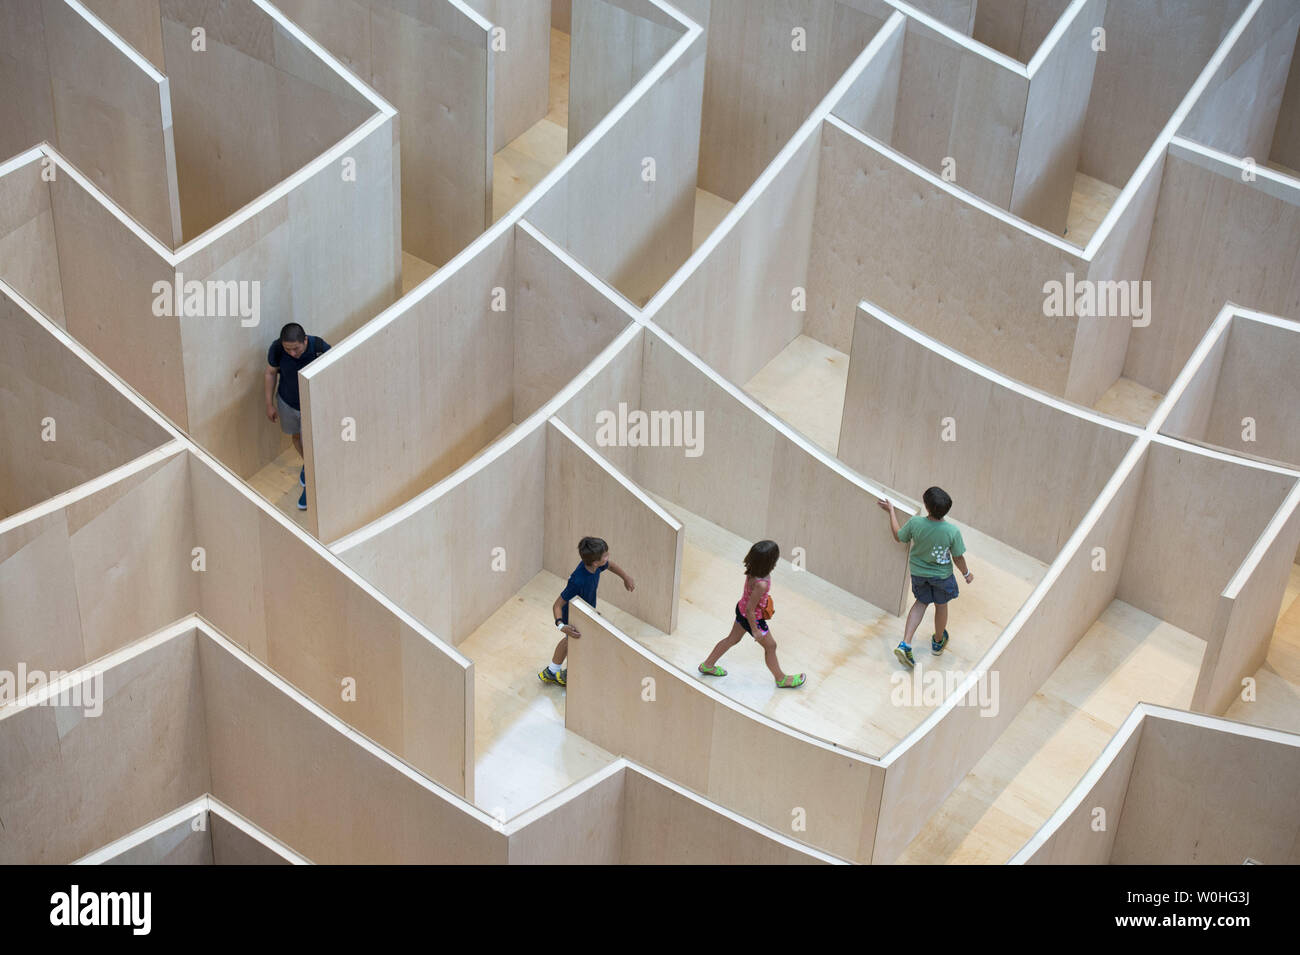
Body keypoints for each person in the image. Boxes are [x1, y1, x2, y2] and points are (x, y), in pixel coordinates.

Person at [878, 487, 974, 669]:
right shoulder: (952, 532)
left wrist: (891, 511)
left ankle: (905, 643)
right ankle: (938, 641)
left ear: (926, 506)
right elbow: (958, 557)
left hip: (918, 574)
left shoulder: (915, 523)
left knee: (920, 603)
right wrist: (966, 573)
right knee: (941, 605)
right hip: (942, 578)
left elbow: (899, 537)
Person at [697, 540, 805, 688]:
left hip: (741, 610)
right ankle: (781, 679)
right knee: (771, 646)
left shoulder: (753, 570)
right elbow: (750, 609)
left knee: (731, 640)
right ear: (770, 561)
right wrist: (755, 630)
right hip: (751, 617)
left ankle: (707, 665)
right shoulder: (762, 584)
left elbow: (748, 605)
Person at [540, 536, 635, 687]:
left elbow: (610, 566)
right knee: (578, 641)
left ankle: (551, 671)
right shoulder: (577, 581)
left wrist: (625, 577)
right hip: (573, 615)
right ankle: (565, 674)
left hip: (586, 610)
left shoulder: (596, 566)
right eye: (605, 555)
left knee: (570, 641)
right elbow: (557, 605)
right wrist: (561, 625)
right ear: (596, 561)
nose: (608, 557)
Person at [265, 323, 330, 510]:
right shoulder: (277, 349)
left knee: (312, 442)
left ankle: (313, 479)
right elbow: (270, 373)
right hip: (287, 403)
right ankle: (308, 465)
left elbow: (333, 370)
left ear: (305, 341)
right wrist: (269, 404)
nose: (292, 353)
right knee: (296, 438)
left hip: (312, 405)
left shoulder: (319, 348)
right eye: (288, 349)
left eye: (296, 348)